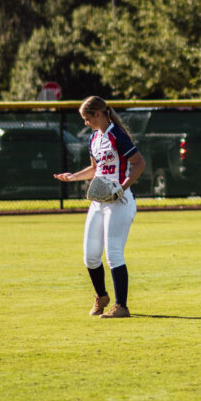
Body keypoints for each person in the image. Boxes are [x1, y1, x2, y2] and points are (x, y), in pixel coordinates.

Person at [53, 95, 145, 319]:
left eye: (87, 118)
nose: (85, 123)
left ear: (97, 114)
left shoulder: (116, 135)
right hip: (99, 202)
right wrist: (73, 176)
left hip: (120, 202)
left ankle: (121, 306)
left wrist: (122, 188)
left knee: (113, 254)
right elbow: (96, 169)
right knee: (91, 256)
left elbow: (139, 163)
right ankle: (101, 296)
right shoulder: (94, 137)